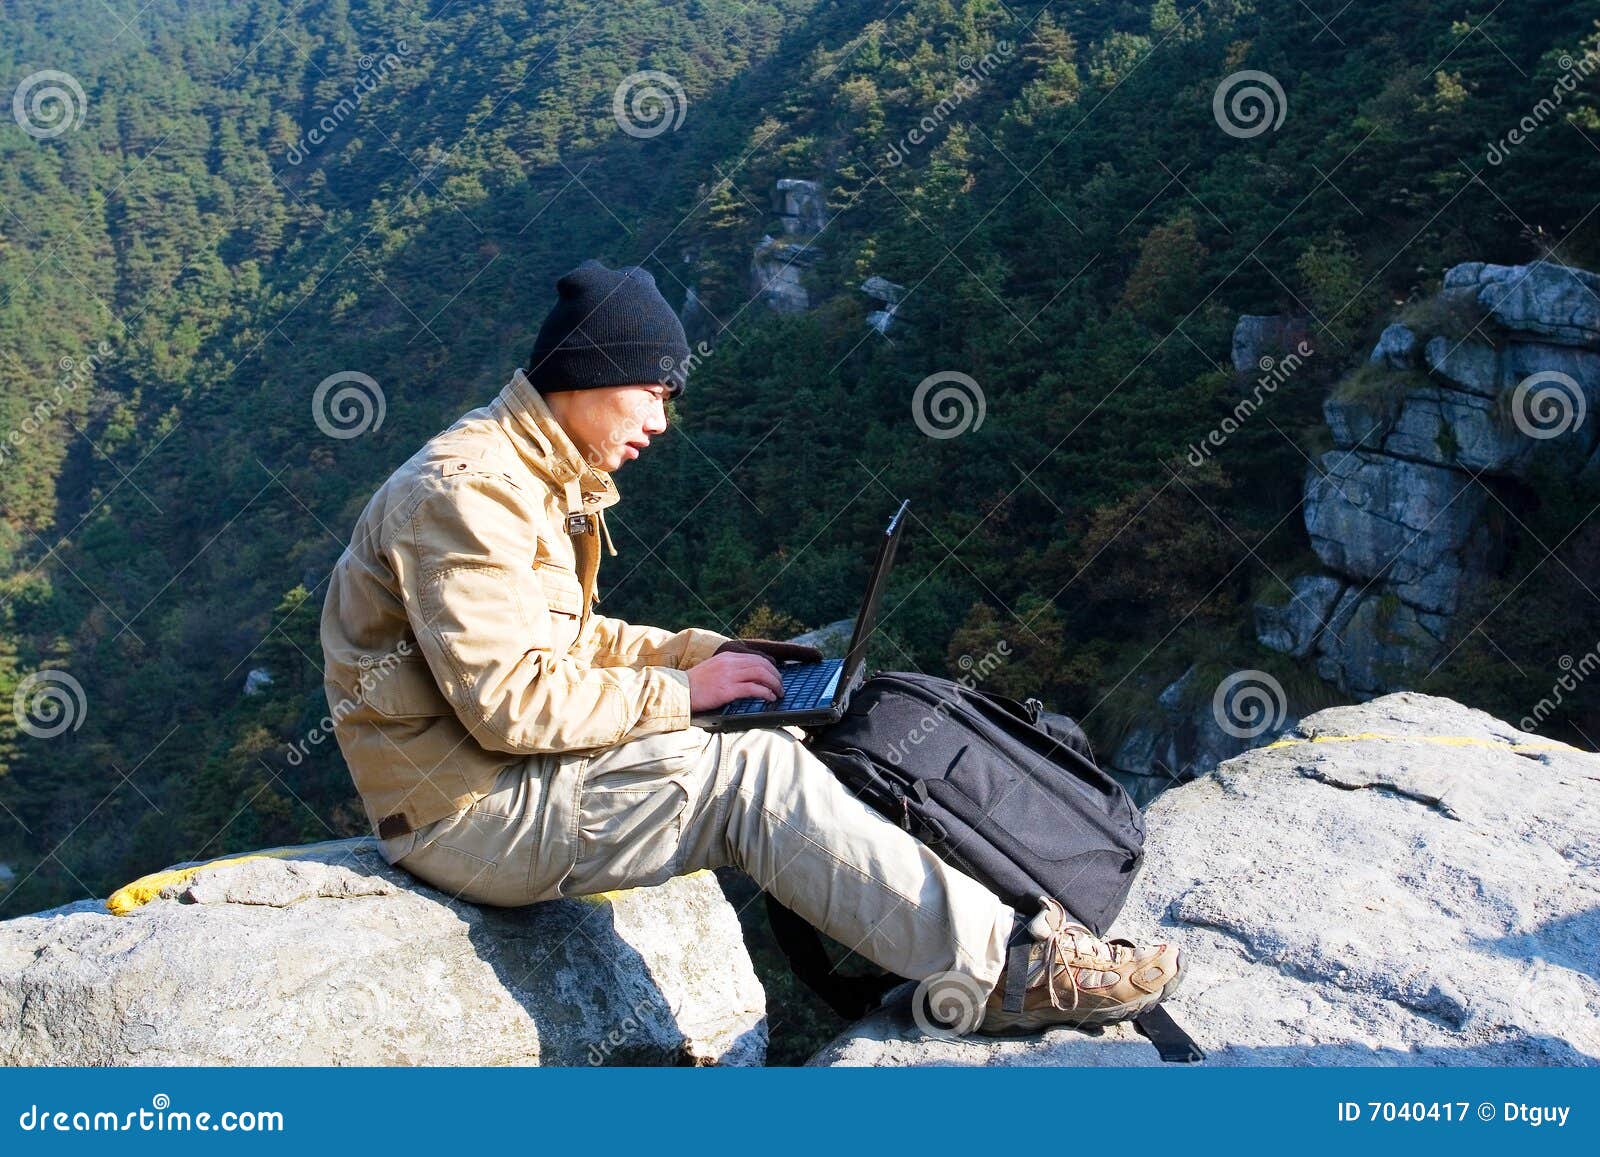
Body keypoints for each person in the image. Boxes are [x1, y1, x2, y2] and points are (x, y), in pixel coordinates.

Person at [319, 258, 1181, 1034]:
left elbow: (574, 639)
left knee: (789, 731)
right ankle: (1012, 970)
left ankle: (971, 921)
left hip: (512, 779)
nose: (663, 416)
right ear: (594, 371)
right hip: (466, 811)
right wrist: (688, 694)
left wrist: (716, 656)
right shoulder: (470, 493)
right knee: (746, 775)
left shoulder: (536, 474)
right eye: (657, 389)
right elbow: (511, 701)